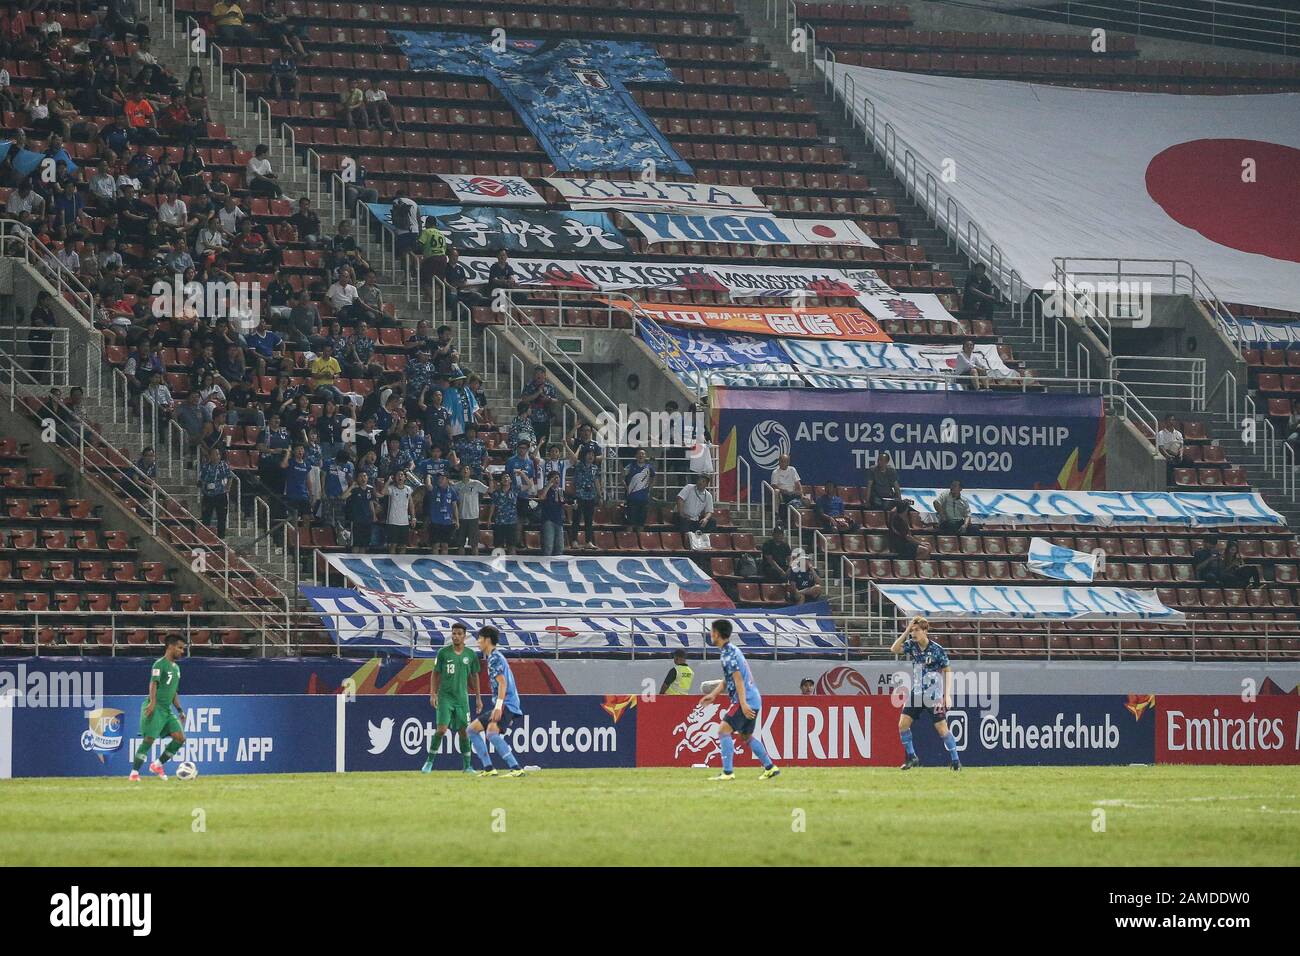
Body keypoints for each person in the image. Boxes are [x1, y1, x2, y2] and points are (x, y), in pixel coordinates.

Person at [698, 619, 779, 781]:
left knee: (723, 731)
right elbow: (728, 679)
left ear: (717, 634)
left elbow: (738, 679)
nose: (710, 634)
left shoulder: (728, 654)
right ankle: (770, 768)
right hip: (754, 699)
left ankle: (728, 773)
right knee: (746, 736)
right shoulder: (732, 650)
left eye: (712, 631)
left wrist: (742, 704)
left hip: (746, 700)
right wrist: (714, 694)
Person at [891, 616, 960, 772]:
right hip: (916, 694)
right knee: (903, 725)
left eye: (916, 630)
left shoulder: (937, 650)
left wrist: (946, 695)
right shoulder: (912, 645)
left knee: (942, 729)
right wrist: (906, 630)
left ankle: (956, 761)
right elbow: (894, 649)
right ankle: (912, 757)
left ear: (925, 631)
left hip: (933, 696)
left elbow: (947, 671)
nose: (914, 634)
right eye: (912, 631)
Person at [420, 622, 481, 775]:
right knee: (441, 730)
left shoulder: (470, 655)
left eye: (459, 633)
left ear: (465, 636)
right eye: (454, 633)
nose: (456, 636)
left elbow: (474, 676)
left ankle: (467, 766)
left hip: (462, 699)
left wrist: (478, 698)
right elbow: (435, 674)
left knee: (464, 732)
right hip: (445, 697)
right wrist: (433, 694)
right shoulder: (443, 653)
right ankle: (429, 762)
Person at [467, 625, 526, 777]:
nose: (478, 642)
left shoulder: (495, 658)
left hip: (506, 703)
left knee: (491, 733)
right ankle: (488, 769)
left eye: (479, 639)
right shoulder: (495, 657)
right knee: (471, 730)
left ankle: (516, 768)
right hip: (505, 703)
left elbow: (502, 683)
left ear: (487, 640)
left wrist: (499, 707)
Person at [129, 634, 187, 781]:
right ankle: (134, 773)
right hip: (156, 707)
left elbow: (173, 691)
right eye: (180, 648)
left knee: (180, 738)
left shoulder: (177, 668)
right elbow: (153, 683)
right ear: (170, 646)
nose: (182, 651)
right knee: (149, 740)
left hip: (167, 710)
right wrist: (153, 702)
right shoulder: (159, 664)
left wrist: (179, 709)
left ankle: (157, 764)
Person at [569, 446, 602, 550]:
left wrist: (599, 495)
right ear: (584, 456)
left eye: (592, 455)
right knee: (576, 520)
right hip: (579, 496)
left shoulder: (595, 468)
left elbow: (596, 482)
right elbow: (573, 459)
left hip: (590, 497)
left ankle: (588, 541)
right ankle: (574, 541)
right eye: (589, 454)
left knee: (589, 521)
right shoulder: (578, 465)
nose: (591, 456)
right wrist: (578, 448)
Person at [452, 467, 489, 555]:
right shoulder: (456, 486)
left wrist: (490, 477)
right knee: (460, 544)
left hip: (473, 517)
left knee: (474, 544)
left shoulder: (476, 483)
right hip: (461, 517)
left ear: (470, 472)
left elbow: (489, 490)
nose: (465, 470)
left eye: (467, 469)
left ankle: (475, 564)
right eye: (463, 469)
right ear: (460, 472)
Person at [378, 468, 414, 554]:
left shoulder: (408, 489)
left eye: (402, 475)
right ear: (395, 477)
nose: (400, 476)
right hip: (393, 521)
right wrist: (388, 481)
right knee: (393, 545)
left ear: (405, 478)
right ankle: (391, 563)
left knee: (403, 545)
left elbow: (411, 504)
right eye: (398, 475)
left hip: (404, 522)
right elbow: (383, 492)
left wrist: (413, 517)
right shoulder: (391, 489)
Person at [198, 445, 232, 538]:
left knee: (221, 518)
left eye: (217, 454)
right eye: (213, 454)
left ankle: (221, 538)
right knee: (206, 517)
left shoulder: (223, 465)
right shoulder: (205, 467)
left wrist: (227, 487)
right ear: (210, 456)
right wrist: (203, 487)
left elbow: (229, 477)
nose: (215, 456)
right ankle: (205, 537)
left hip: (220, 494)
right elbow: (201, 480)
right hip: (208, 495)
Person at [519, 365, 556, 447]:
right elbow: (524, 399)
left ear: (545, 375)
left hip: (545, 419)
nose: (539, 376)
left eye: (541, 373)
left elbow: (555, 400)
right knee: (531, 442)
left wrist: (548, 399)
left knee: (543, 443)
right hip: (531, 419)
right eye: (537, 374)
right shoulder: (529, 386)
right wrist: (537, 393)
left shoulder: (549, 387)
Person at [424, 471, 459, 555]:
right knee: (435, 545)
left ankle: (443, 565)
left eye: (442, 478)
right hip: (435, 522)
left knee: (445, 545)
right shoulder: (435, 489)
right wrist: (428, 476)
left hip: (447, 522)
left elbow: (454, 506)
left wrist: (457, 520)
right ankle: (434, 564)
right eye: (439, 478)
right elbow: (428, 486)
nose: (440, 480)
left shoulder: (452, 491)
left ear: (447, 480)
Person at [344, 468, 377, 553]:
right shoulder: (354, 489)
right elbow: (343, 497)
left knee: (364, 545)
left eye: (365, 476)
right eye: (361, 476)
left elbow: (371, 503)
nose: (363, 478)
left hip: (367, 520)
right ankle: (354, 563)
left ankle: (361, 565)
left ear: (367, 478)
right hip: (356, 520)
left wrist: (374, 515)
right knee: (356, 544)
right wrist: (351, 486)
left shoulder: (370, 489)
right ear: (357, 478)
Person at [280, 443, 313, 529]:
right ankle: (294, 538)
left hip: (304, 495)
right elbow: (283, 465)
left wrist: (311, 493)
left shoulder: (306, 464)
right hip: (292, 495)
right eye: (298, 449)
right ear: (294, 451)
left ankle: (305, 537)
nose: (300, 451)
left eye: (302, 449)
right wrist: (288, 453)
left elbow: (308, 480)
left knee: (306, 518)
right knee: (294, 519)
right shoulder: (291, 462)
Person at [485, 472, 519, 554]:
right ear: (501, 481)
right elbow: (493, 505)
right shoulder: (497, 492)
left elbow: (529, 485)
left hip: (512, 522)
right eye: (503, 477)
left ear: (510, 480)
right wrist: (489, 519)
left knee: (511, 545)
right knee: (498, 546)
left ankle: (512, 564)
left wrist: (521, 474)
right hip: (499, 522)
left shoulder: (515, 490)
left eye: (507, 477)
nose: (506, 478)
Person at [623, 447, 655, 531]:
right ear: (636, 456)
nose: (641, 455)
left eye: (643, 454)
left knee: (641, 523)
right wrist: (627, 487)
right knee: (630, 522)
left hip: (644, 499)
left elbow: (653, 477)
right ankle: (628, 542)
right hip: (632, 499)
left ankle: (640, 542)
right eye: (639, 454)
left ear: (645, 456)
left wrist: (650, 488)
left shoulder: (649, 467)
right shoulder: (630, 466)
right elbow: (621, 476)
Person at [538, 470, 566, 556]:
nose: (557, 480)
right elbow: (541, 497)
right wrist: (549, 484)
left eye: (558, 478)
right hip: (548, 520)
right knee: (548, 546)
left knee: (560, 547)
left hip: (559, 520)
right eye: (554, 478)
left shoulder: (561, 491)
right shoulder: (546, 490)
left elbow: (563, 504)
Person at [770, 453, 805, 519]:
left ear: (788, 462)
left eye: (784, 461)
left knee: (806, 500)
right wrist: (783, 491)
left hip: (792, 493)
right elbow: (773, 486)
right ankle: (776, 513)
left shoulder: (792, 470)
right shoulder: (775, 472)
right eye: (781, 461)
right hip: (782, 494)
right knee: (776, 491)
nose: (782, 463)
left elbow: (797, 483)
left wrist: (801, 493)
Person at [1156, 415, 1186, 480]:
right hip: (1167, 454)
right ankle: (1171, 483)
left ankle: (1186, 481)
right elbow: (1161, 447)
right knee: (1169, 464)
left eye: (1173, 420)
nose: (1171, 422)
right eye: (1169, 420)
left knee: (1190, 461)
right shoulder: (1161, 434)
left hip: (1177, 454)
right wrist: (1168, 455)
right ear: (1165, 422)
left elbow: (1181, 446)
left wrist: (1181, 455)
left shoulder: (1179, 433)